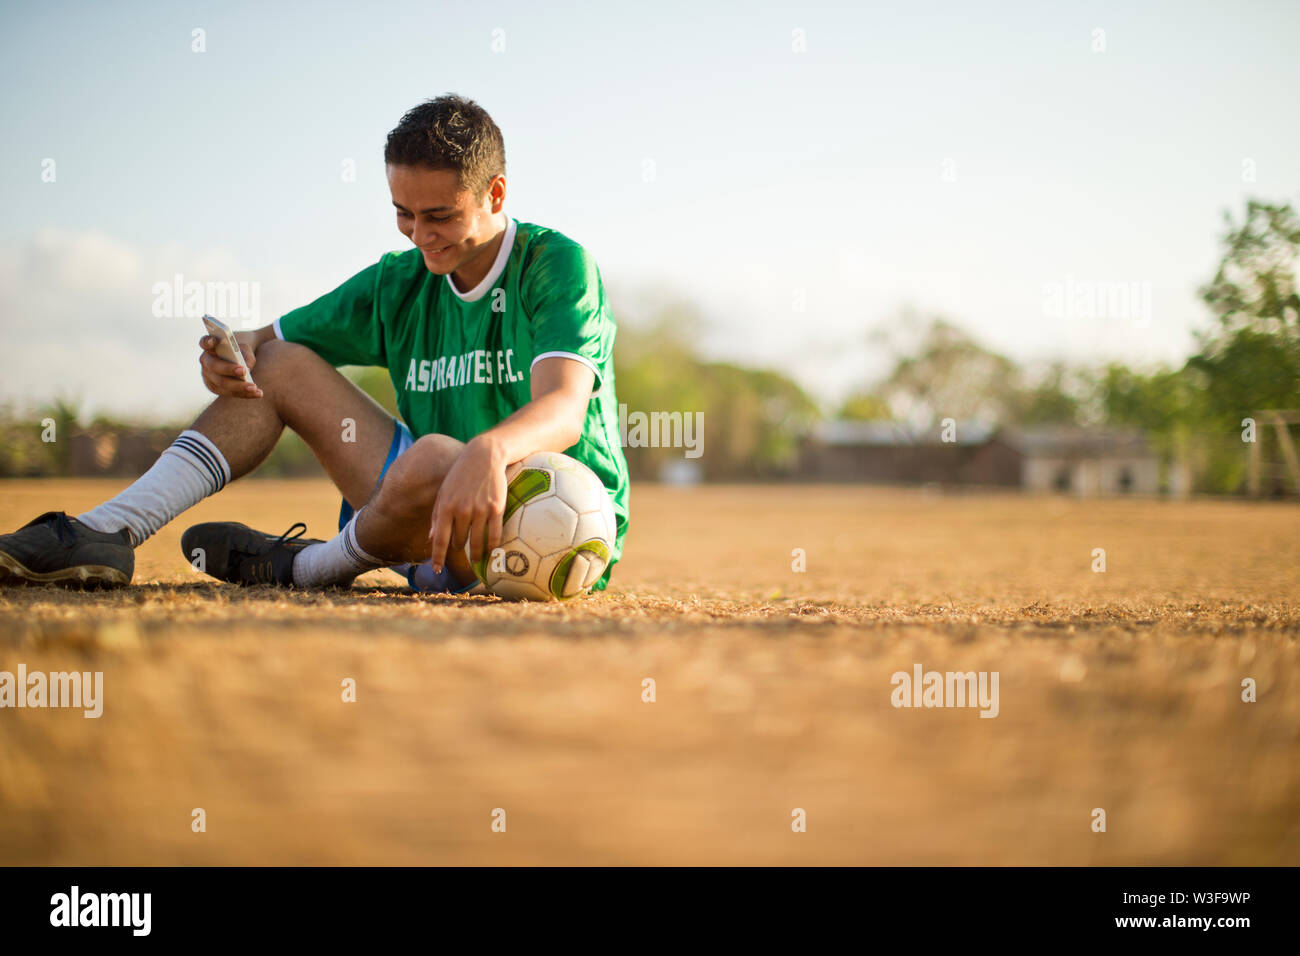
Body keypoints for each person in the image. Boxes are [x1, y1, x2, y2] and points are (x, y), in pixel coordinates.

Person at [0, 94, 629, 596]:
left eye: (439, 216)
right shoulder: (398, 281)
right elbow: (265, 345)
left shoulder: (555, 265)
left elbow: (565, 410)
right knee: (279, 366)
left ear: (494, 194)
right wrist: (232, 353)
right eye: (403, 213)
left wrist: (488, 451)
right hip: (421, 502)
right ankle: (106, 531)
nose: (419, 235)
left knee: (442, 454)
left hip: (549, 512)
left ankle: (309, 568)